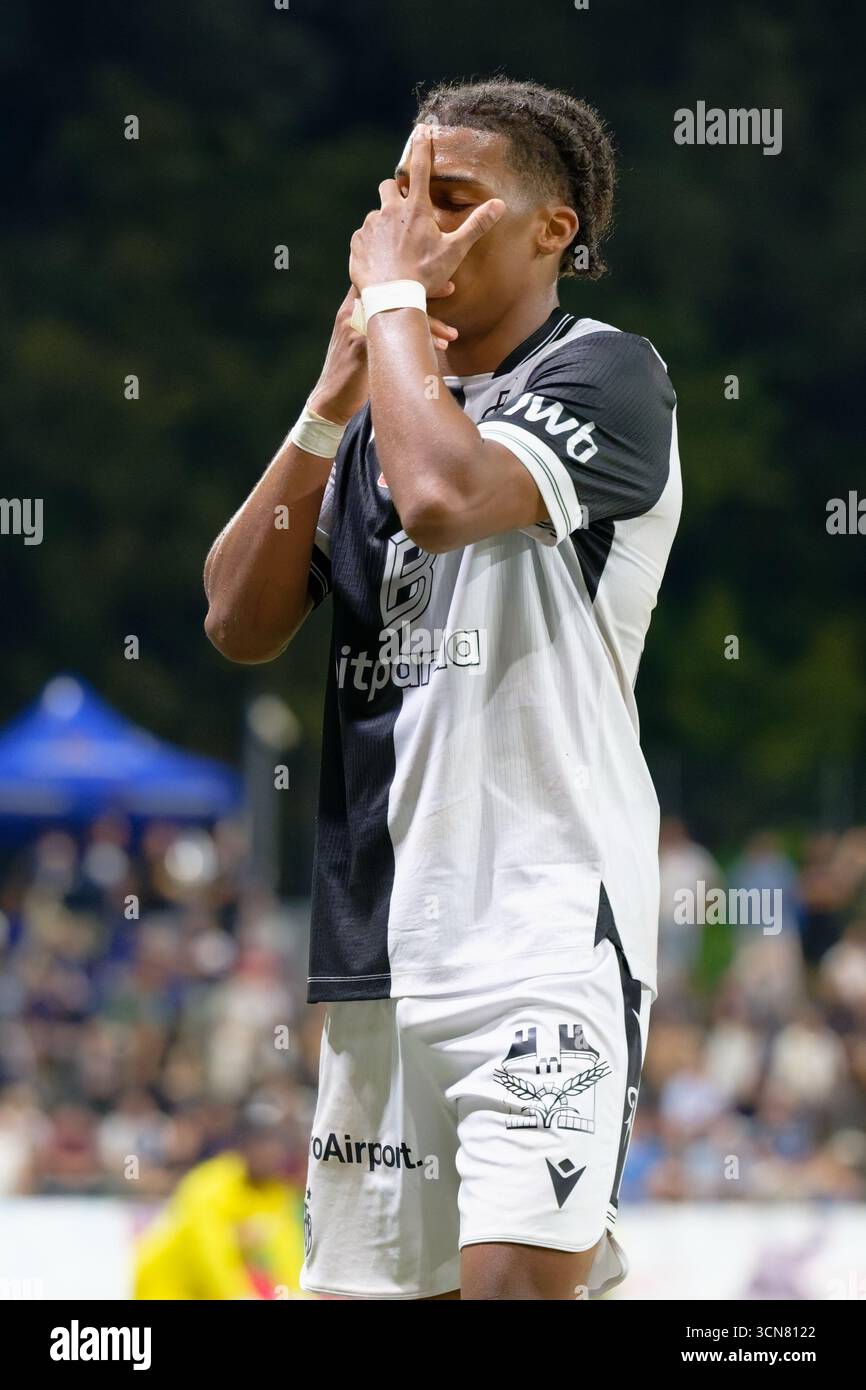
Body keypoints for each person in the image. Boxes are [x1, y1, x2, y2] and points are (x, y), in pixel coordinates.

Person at [204, 78, 682, 1300]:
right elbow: (236, 619)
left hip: (541, 932)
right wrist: (325, 403)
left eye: (451, 199)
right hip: (375, 952)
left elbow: (445, 499)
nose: (409, 228)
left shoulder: (609, 377)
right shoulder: (380, 413)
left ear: (551, 230)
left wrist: (398, 310)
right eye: (400, 197)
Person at [133, 1102, 307, 1299]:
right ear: (243, 1146)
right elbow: (211, 1254)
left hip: (201, 1292)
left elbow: (286, 1251)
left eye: (277, 1145)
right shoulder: (209, 1186)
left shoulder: (278, 1195)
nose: (272, 1153)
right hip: (163, 1285)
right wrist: (239, 1295)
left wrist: (298, 1294)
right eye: (263, 1144)